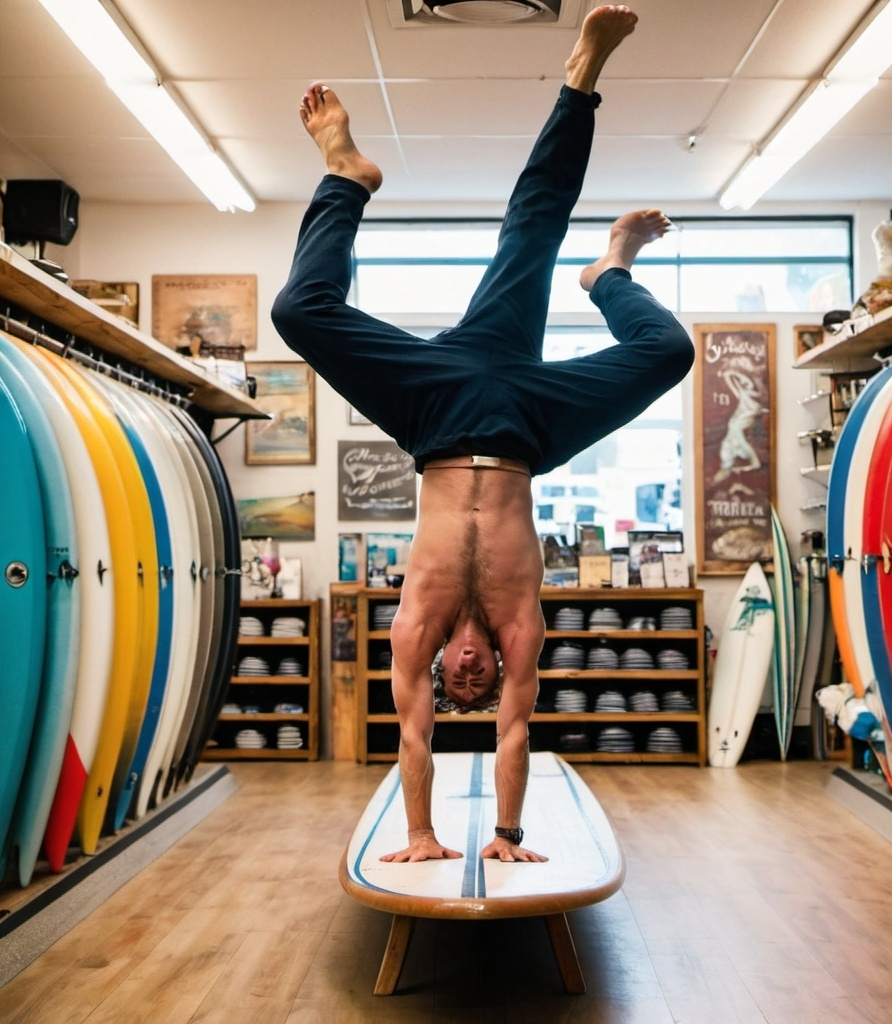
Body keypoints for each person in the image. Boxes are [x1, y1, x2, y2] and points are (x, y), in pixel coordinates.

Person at [272, 5, 693, 864]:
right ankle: (609, 260)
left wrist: (422, 835)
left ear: (441, 673)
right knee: (661, 343)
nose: (467, 677)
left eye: (455, 683)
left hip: (430, 415)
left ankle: (345, 177)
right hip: (529, 424)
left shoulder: (414, 629)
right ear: (497, 670)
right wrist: (505, 836)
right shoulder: (519, 627)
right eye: (481, 682)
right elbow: (512, 739)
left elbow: (416, 743)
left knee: (298, 312)